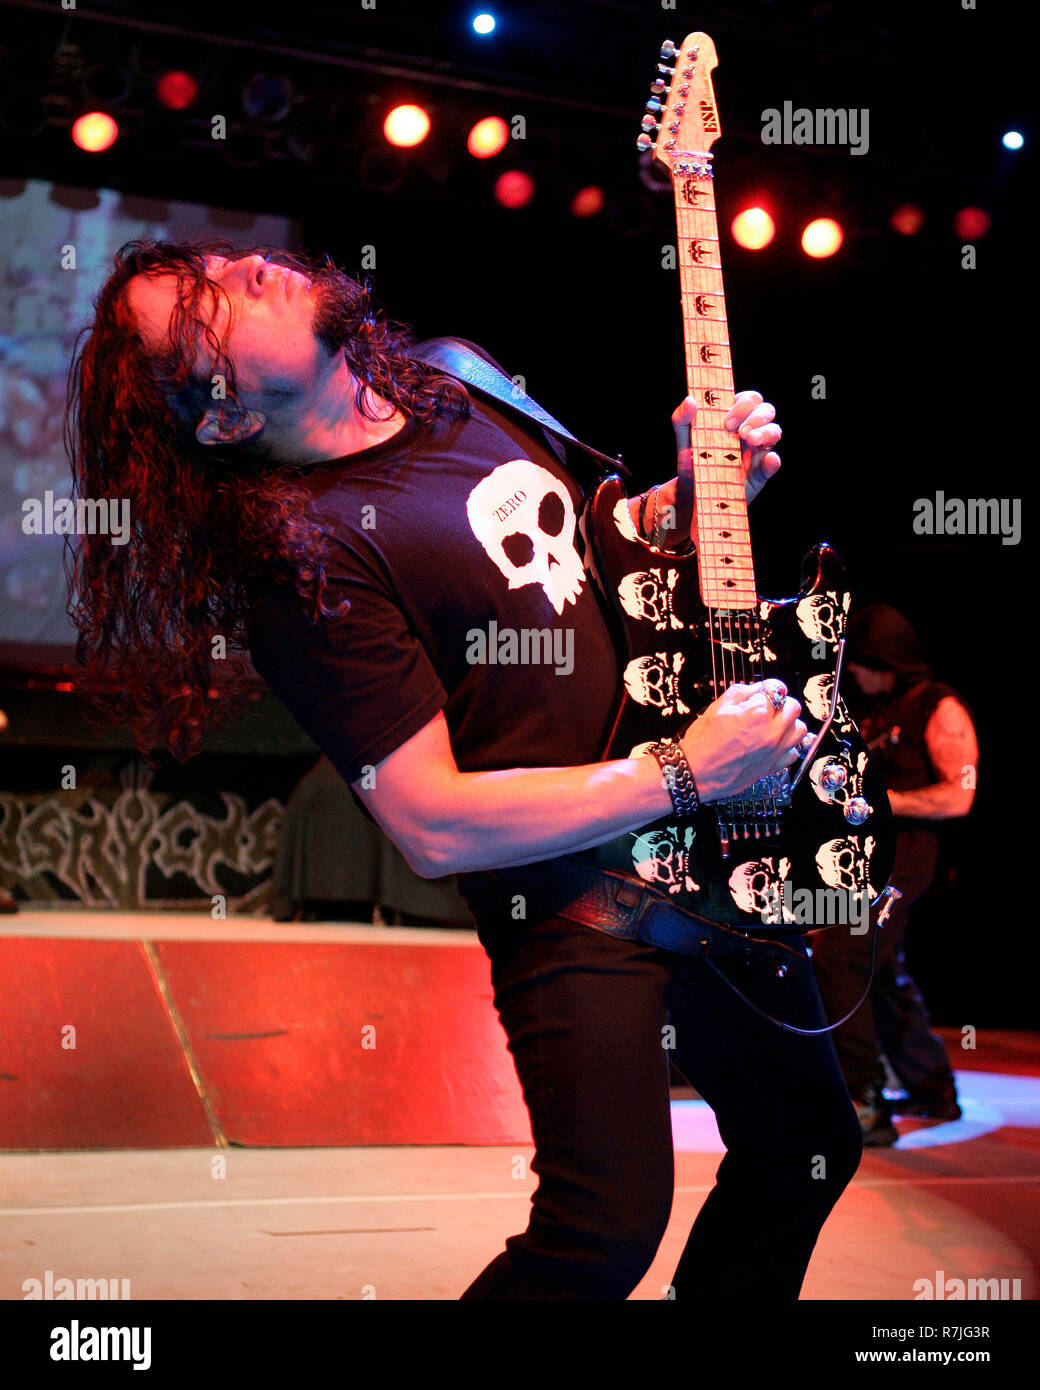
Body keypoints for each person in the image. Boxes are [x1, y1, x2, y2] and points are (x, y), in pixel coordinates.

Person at [66, 240, 864, 1300]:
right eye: (206, 301)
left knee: (803, 1146)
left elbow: (592, 547)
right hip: (580, 910)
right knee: (601, 1232)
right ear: (222, 417)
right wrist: (682, 771)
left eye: (221, 257)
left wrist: (684, 500)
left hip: (718, 858)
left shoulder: (453, 379)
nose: (248, 263)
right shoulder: (303, 563)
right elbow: (429, 821)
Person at [809, 604, 978, 1145]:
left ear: (884, 656)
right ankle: (932, 1088)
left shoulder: (938, 704)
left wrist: (887, 803)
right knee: (877, 969)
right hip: (872, 858)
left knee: (841, 950)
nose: (851, 672)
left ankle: (864, 1099)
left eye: (857, 661)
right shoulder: (879, 710)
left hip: (909, 859)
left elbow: (961, 794)